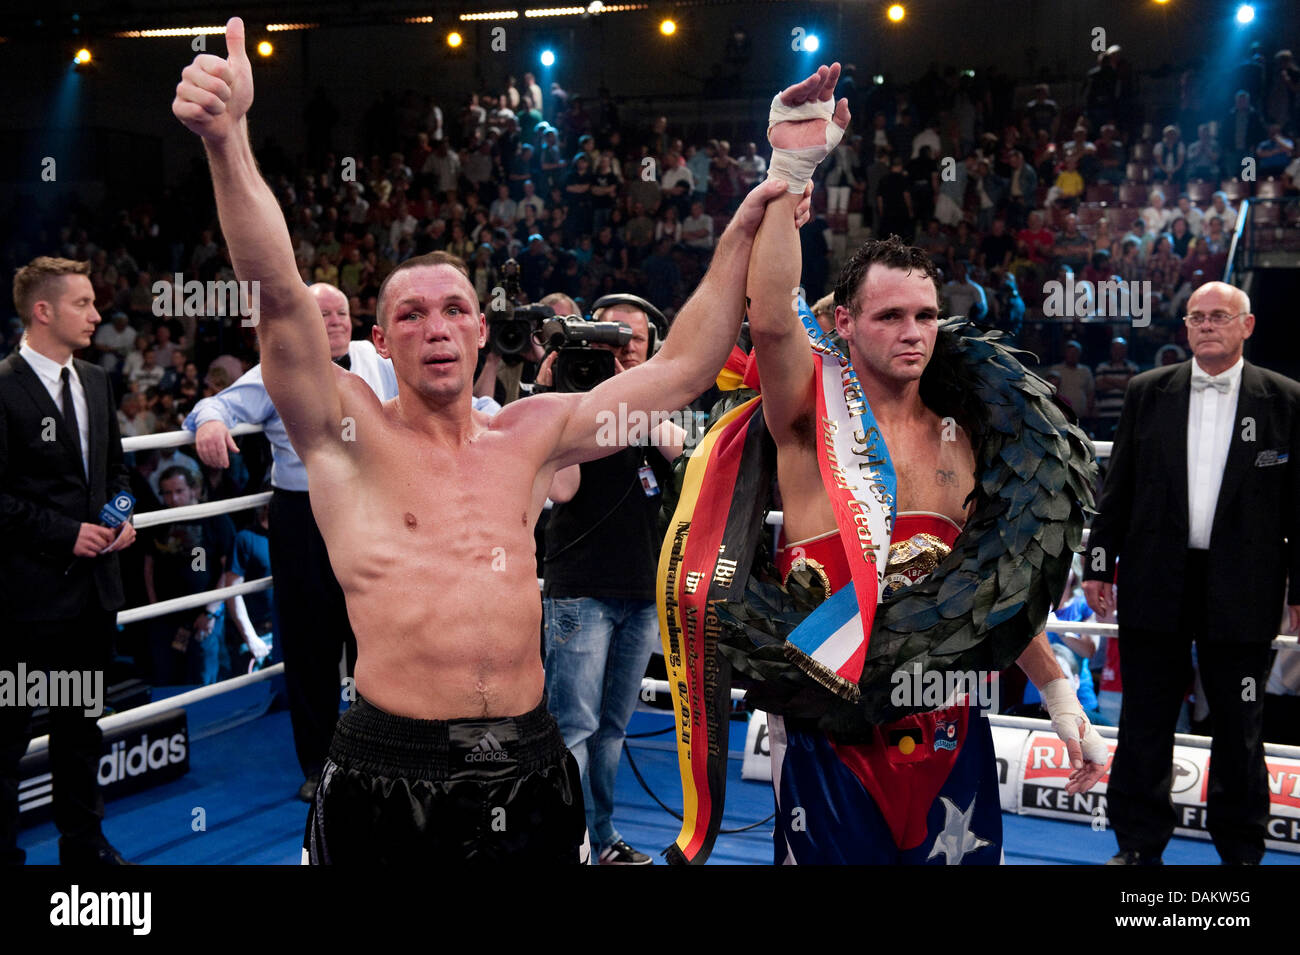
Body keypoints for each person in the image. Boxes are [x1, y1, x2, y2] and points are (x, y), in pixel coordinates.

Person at [172, 18, 810, 864]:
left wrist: (760, 207)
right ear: (380, 339)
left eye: (453, 310)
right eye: (411, 314)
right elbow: (278, 294)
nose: (435, 328)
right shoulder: (346, 432)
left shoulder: (532, 431)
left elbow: (685, 366)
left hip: (528, 760)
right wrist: (227, 142)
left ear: (481, 331)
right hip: (389, 768)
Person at [660, 63, 1103, 865]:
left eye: (926, 314)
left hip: (949, 726)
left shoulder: (964, 439)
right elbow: (771, 320)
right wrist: (792, 168)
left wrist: (1060, 694)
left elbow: (996, 586)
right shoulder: (809, 417)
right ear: (845, 323)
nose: (913, 331)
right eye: (891, 315)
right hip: (831, 723)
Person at [1084, 281, 1300, 865]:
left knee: (1240, 722)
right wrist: (1098, 562)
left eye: (1218, 316)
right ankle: (1136, 847)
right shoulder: (1147, 391)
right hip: (1156, 578)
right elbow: (1117, 486)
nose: (1206, 325)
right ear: (1184, 327)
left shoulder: (1286, 399)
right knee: (1145, 717)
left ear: (1246, 325)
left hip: (1245, 585)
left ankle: (1241, 852)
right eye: (1196, 317)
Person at [183, 283, 416, 801]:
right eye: (321, 313)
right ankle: (319, 765)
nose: (334, 320)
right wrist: (212, 423)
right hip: (303, 516)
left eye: (341, 311)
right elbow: (214, 406)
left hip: (375, 509)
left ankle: (379, 753)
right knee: (310, 643)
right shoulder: (278, 366)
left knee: (379, 637)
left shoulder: (377, 356)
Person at [535, 296, 686, 865]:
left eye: (633, 341)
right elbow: (563, 488)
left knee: (612, 729)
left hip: (640, 592)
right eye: (609, 340)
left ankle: (601, 838)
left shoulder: (651, 413)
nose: (621, 350)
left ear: (651, 349)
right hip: (582, 591)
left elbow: (682, 452)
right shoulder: (571, 408)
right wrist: (561, 395)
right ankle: (564, 846)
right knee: (573, 727)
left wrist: (633, 392)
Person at [1, 257, 138, 865]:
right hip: (25, 601)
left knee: (80, 728)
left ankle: (84, 847)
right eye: (83, 303)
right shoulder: (3, 386)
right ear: (43, 311)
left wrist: (120, 515)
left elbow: (118, 470)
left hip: (91, 595)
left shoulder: (96, 380)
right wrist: (65, 535)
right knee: (7, 736)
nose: (97, 315)